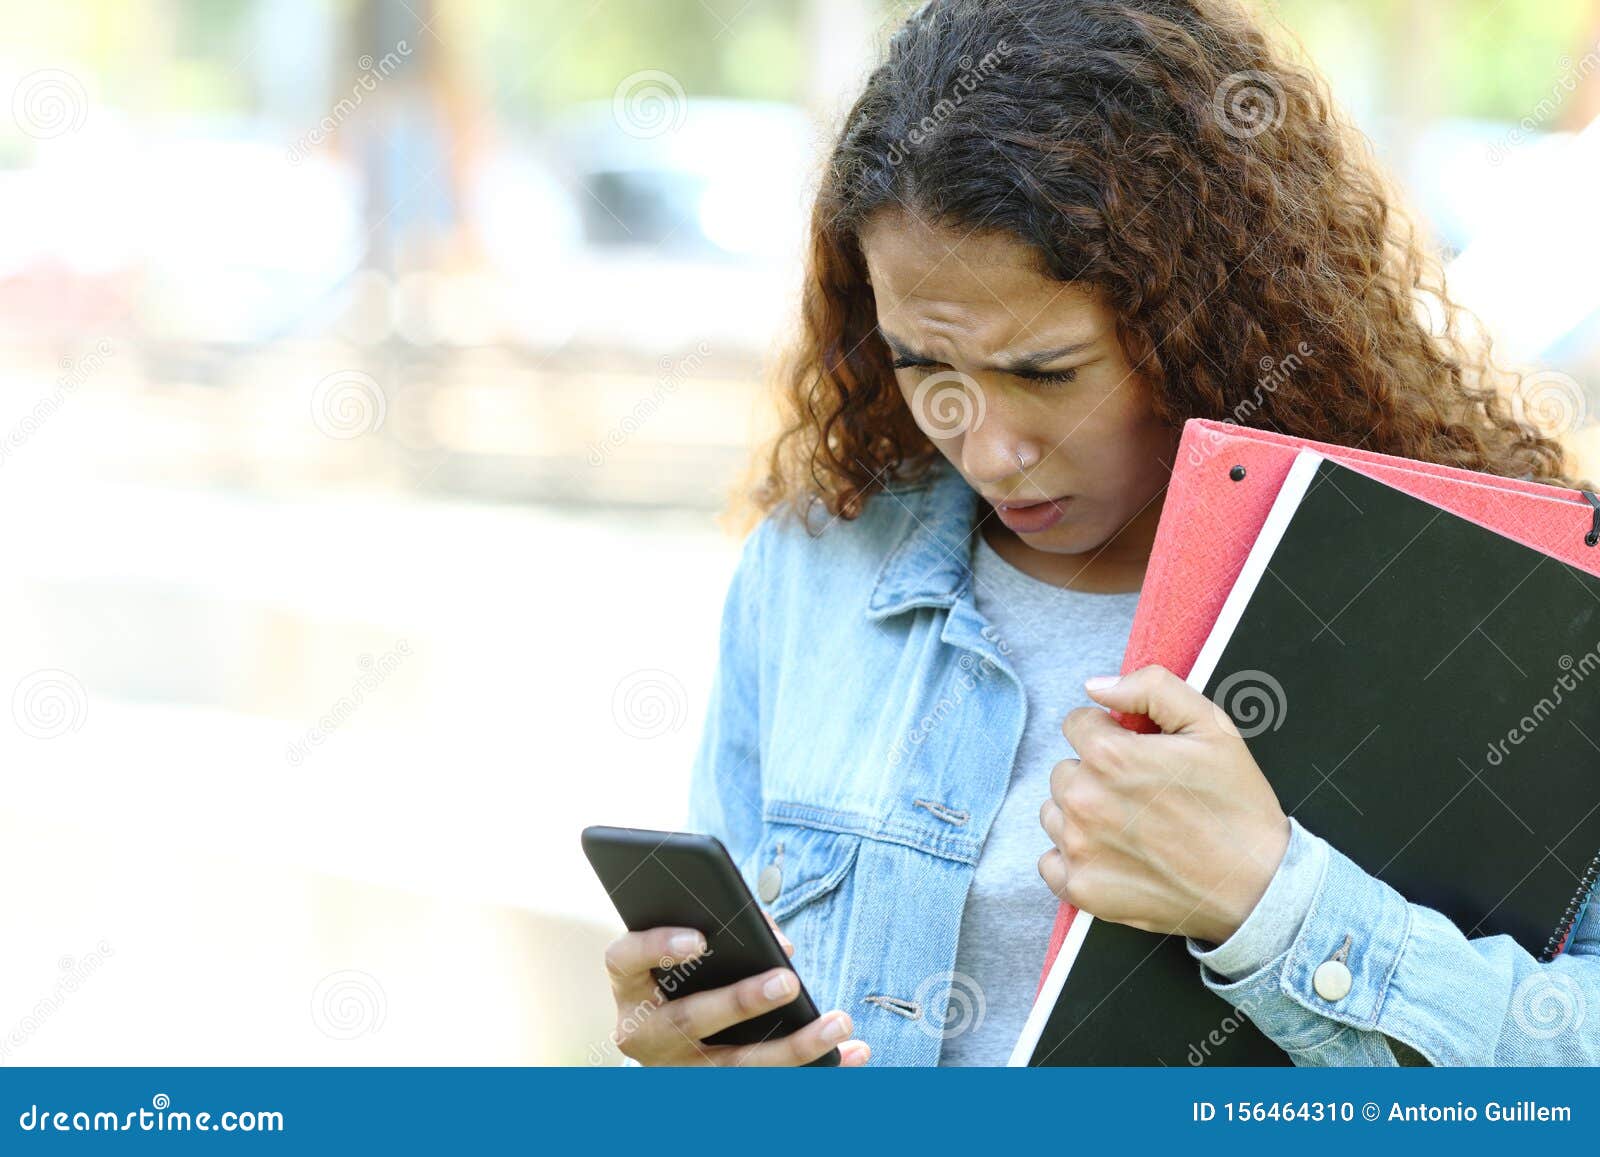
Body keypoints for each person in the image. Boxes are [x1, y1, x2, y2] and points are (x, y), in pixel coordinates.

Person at [600, 0, 1596, 1066]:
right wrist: (697, 1062)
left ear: (1202, 323)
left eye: (1043, 373)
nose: (984, 450)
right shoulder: (812, 568)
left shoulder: (1489, 599)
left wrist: (1270, 901)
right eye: (922, 365)